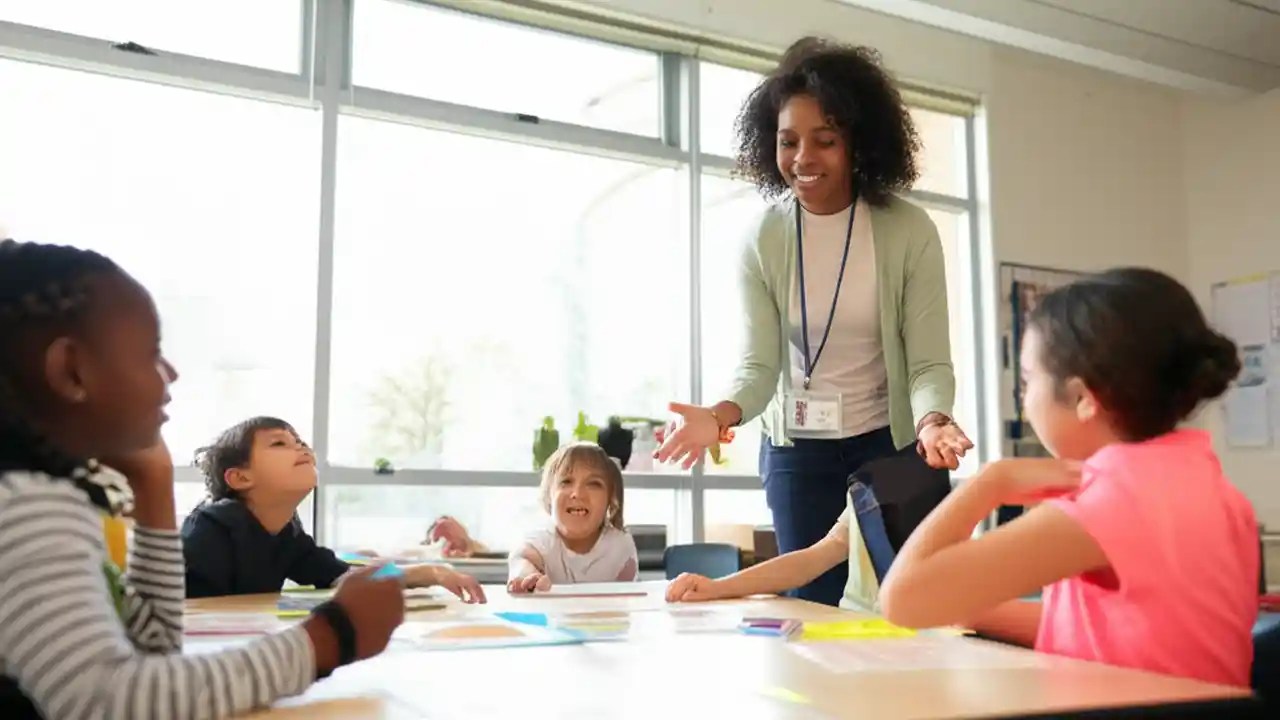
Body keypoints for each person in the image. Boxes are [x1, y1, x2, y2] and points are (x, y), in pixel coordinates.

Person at [0, 240, 404, 718]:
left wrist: (153, 482)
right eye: (150, 353)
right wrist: (329, 637)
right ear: (71, 370)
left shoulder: (48, 496)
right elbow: (106, 701)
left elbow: (153, 647)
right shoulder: (26, 504)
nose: (169, 373)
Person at [655, 37, 972, 606]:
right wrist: (719, 415)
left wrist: (931, 423)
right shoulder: (764, 237)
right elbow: (758, 366)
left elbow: (927, 361)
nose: (804, 158)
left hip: (889, 441)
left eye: (825, 140)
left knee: (899, 605)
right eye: (789, 141)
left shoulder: (908, 231)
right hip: (798, 450)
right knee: (809, 606)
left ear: (858, 144)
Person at [878, 268, 1258, 687]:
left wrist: (992, 481)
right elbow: (1119, 628)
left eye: (1027, 382)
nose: (1026, 399)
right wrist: (966, 602)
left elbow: (901, 600)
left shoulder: (1115, 499)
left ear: (1081, 398)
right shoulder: (1202, 482)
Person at [182, 416, 486, 603]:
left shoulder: (287, 534)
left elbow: (344, 576)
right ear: (240, 477)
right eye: (279, 443)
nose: (303, 448)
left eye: (299, 441)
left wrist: (430, 571)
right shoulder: (209, 530)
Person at [508, 443, 637, 592]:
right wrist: (527, 577)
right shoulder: (543, 539)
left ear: (611, 498)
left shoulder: (619, 545)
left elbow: (626, 601)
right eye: (566, 482)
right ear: (549, 495)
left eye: (593, 484)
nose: (577, 493)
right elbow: (521, 559)